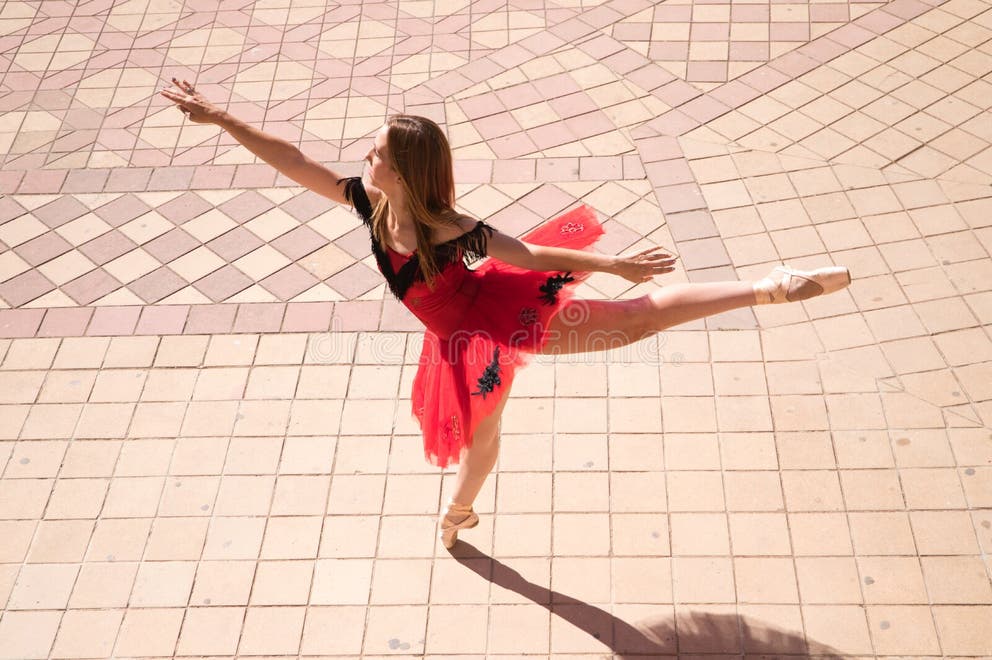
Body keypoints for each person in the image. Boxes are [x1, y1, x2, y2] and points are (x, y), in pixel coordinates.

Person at [162, 78, 851, 549]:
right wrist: (220, 118)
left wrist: (612, 263)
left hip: (490, 322)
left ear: (403, 170)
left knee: (631, 322)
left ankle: (769, 287)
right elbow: (291, 160)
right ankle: (460, 511)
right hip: (456, 328)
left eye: (377, 152)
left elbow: (527, 254)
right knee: (483, 436)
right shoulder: (367, 202)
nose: (364, 155)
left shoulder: (451, 229)